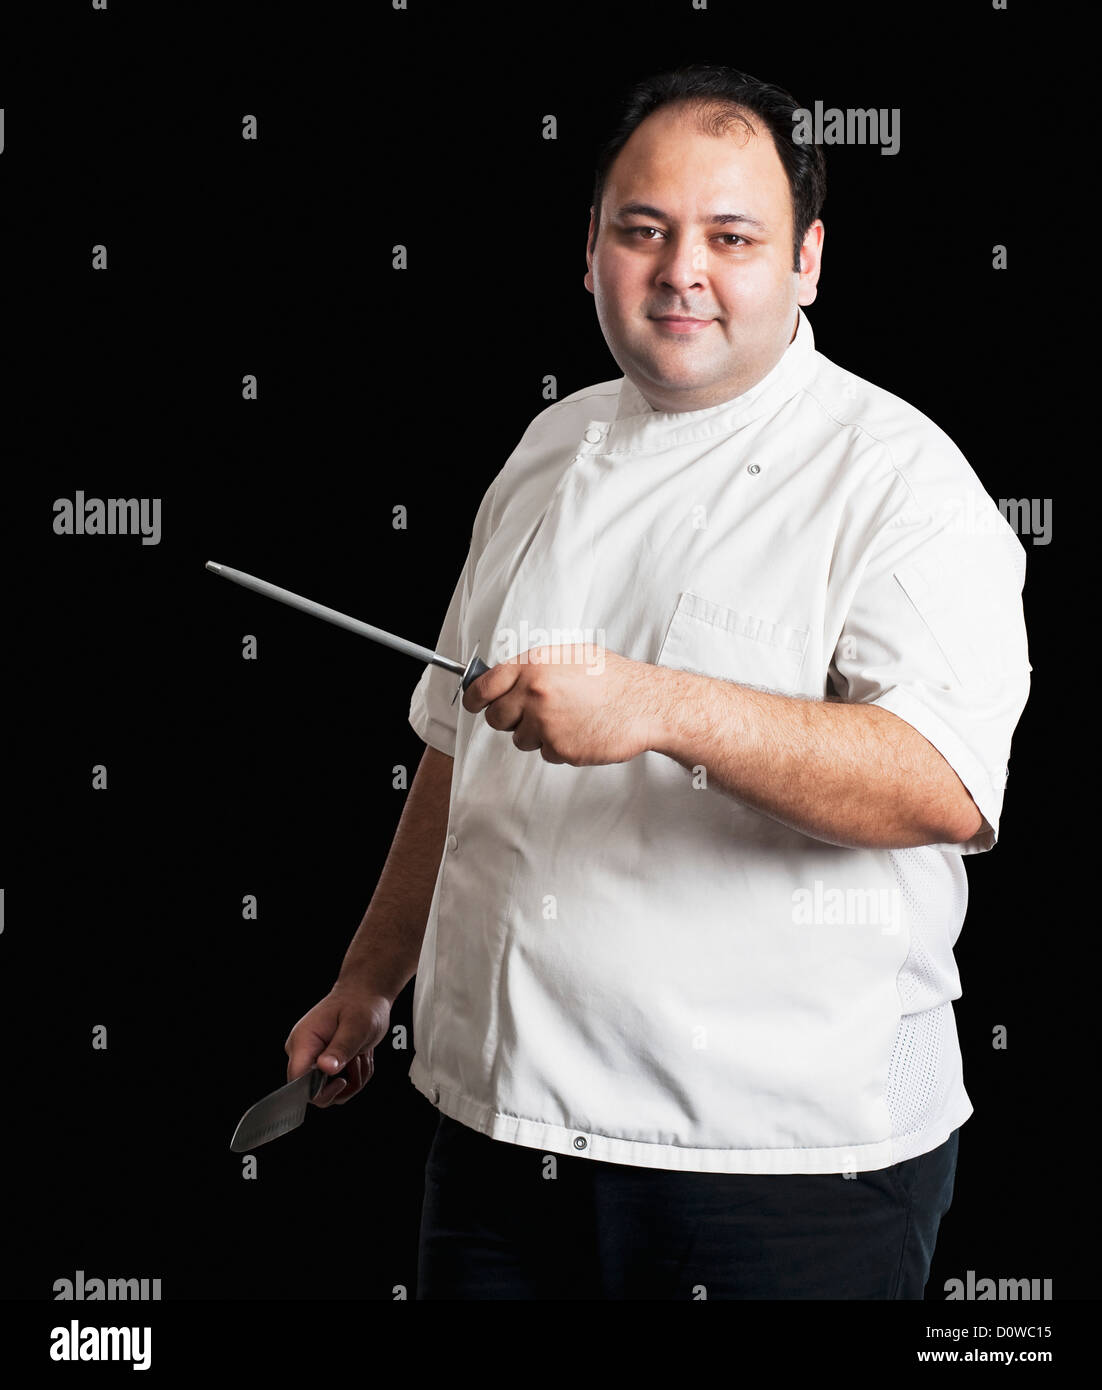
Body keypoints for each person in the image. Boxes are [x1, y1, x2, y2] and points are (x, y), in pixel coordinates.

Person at [283, 64, 1031, 1300]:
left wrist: (664, 707)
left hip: (779, 1170)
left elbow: (943, 785)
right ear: (591, 250)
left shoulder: (901, 479)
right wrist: (370, 979)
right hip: (496, 1139)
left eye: (732, 236)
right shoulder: (547, 446)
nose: (682, 270)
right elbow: (453, 741)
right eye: (644, 231)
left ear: (806, 261)